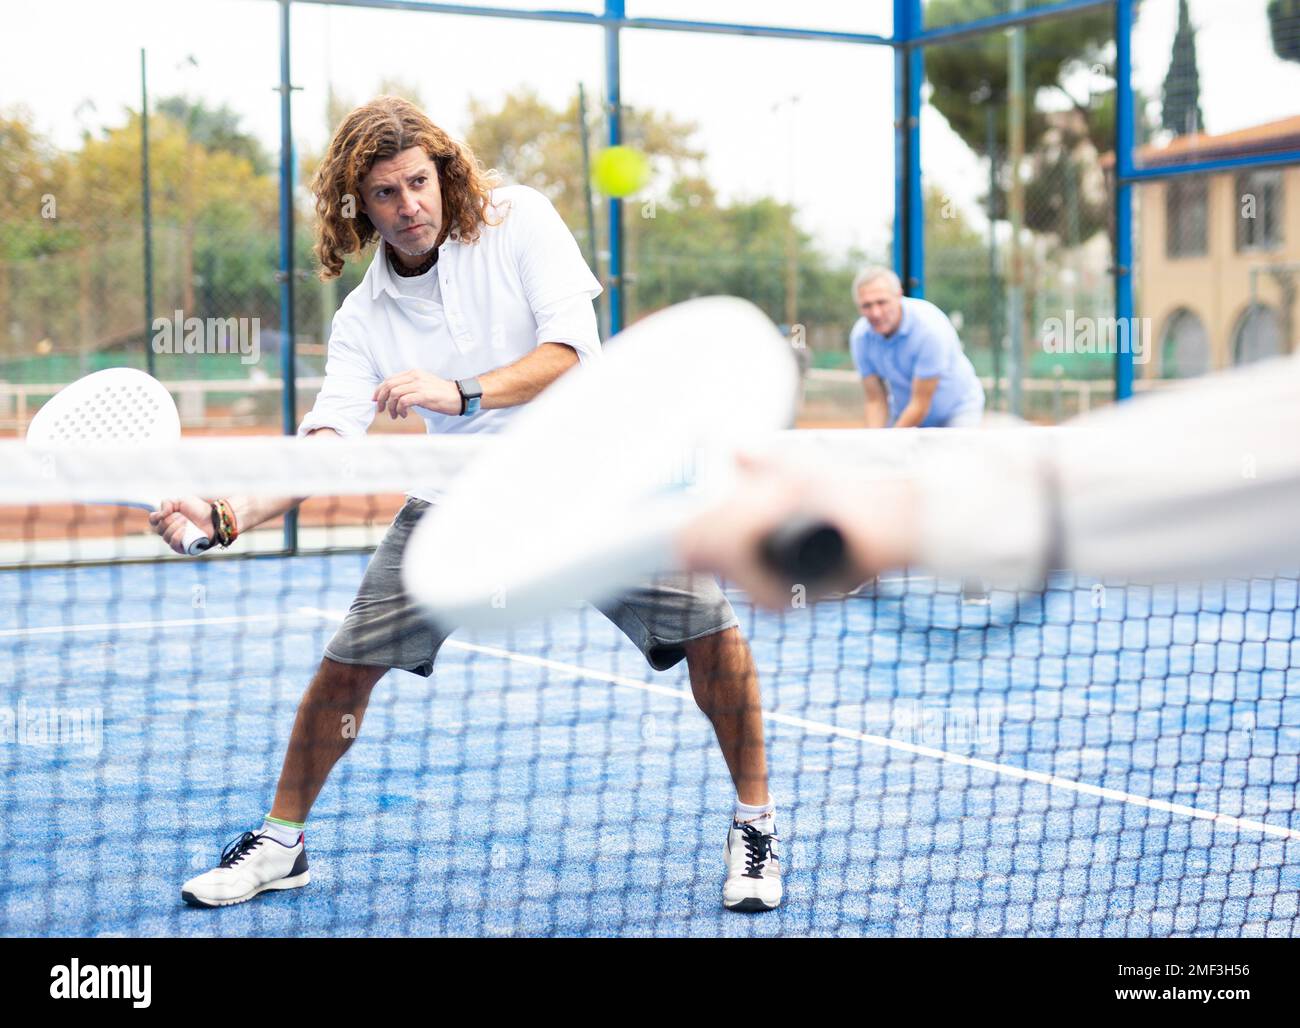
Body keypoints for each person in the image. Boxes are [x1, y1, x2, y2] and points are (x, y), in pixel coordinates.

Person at [153, 97, 782, 914]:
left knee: (712, 635)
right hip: (455, 506)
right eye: (384, 193)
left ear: (444, 173)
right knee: (344, 671)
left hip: (588, 480)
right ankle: (281, 842)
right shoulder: (363, 318)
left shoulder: (519, 220)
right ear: (358, 207)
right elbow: (326, 445)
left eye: (419, 182)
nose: (408, 205)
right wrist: (226, 514)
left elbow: (570, 350)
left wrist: (462, 392)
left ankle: (756, 822)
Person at [680, 351, 1300, 609]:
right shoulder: (868, 339)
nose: (871, 313)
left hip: (960, 422)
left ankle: (975, 578)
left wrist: (882, 511)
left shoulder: (921, 338)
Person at [851, 267, 985, 429]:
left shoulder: (930, 330)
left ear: (898, 296)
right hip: (905, 410)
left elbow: (920, 404)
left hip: (957, 409)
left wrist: (891, 442)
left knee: (954, 454)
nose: (876, 313)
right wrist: (876, 442)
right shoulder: (860, 337)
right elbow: (875, 400)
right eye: (866, 305)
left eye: (882, 302)